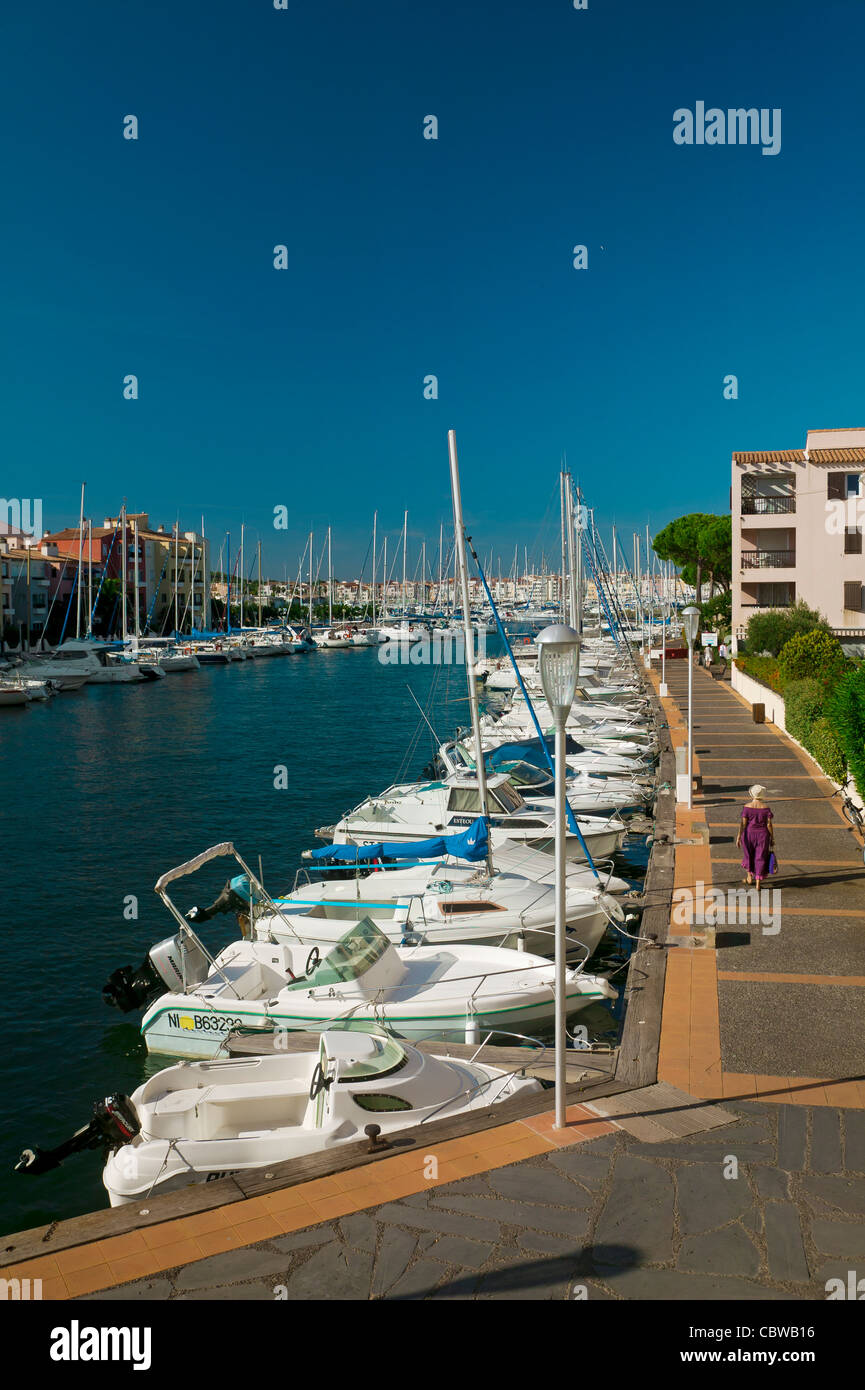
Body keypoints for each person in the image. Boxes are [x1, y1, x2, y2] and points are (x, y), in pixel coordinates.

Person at [736, 784, 776, 887]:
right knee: (760, 857)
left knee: (749, 855)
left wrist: (739, 836)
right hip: (763, 835)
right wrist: (772, 837)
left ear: (752, 794)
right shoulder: (766, 808)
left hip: (749, 834)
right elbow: (769, 825)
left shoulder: (747, 807)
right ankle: (758, 882)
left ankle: (749, 878)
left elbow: (743, 824)